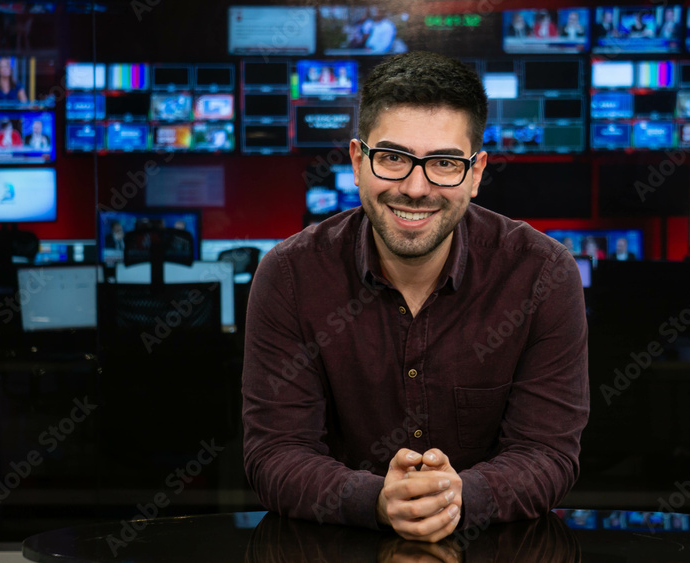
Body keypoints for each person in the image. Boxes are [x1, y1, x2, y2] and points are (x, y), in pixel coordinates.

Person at [242, 51, 589, 543]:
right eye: (393, 158)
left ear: (475, 173)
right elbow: (275, 453)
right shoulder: (289, 275)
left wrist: (457, 496)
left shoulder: (542, 274)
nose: (415, 187)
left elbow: (547, 454)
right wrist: (377, 501)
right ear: (358, 161)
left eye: (444, 163)